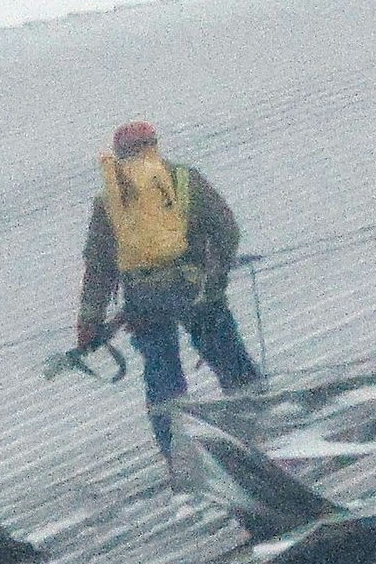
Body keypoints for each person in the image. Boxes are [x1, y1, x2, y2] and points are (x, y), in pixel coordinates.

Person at [73, 121, 264, 465]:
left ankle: (180, 458)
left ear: (119, 154)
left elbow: (99, 268)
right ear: (154, 145)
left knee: (164, 383)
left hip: (144, 303)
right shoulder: (185, 180)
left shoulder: (109, 201)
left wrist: (88, 322)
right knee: (233, 366)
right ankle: (261, 433)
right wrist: (214, 281)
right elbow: (226, 230)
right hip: (198, 293)